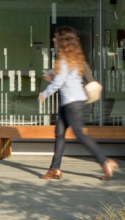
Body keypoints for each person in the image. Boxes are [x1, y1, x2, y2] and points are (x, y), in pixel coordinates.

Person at [38, 26, 117, 181]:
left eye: (55, 37)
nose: (53, 39)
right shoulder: (74, 59)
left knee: (80, 135)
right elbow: (66, 79)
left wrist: (44, 94)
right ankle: (55, 169)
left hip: (71, 104)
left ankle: (105, 161)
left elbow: (58, 82)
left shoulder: (63, 60)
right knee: (59, 134)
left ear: (62, 40)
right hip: (72, 102)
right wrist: (52, 76)